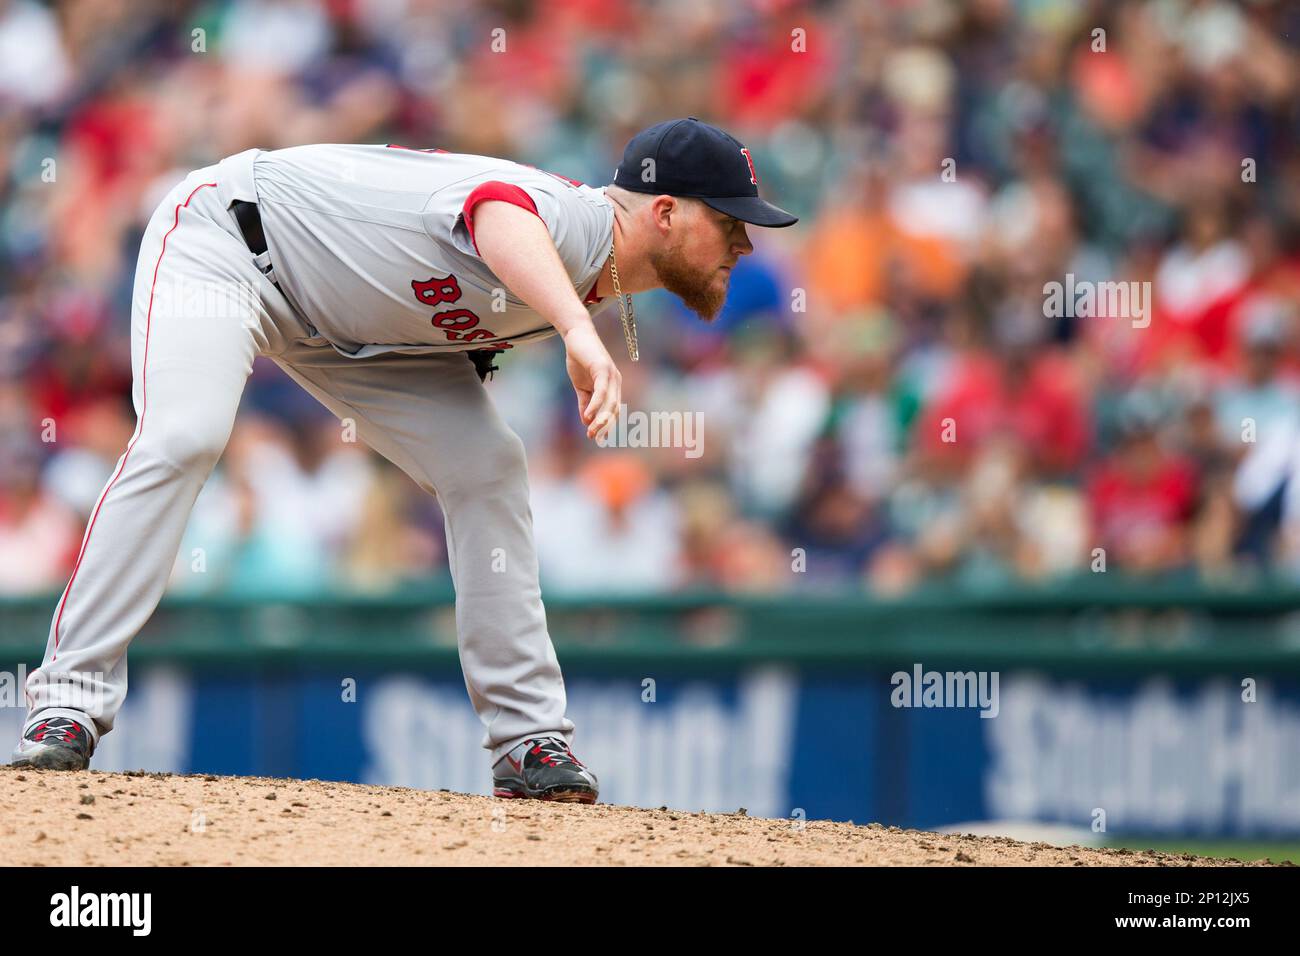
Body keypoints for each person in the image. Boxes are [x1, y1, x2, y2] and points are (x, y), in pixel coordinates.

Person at [11, 117, 797, 804]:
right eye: (729, 222)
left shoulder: (605, 272)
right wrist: (575, 329)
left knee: (488, 466)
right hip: (227, 240)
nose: (743, 241)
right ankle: (68, 699)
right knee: (186, 435)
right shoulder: (578, 221)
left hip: (352, 332)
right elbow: (499, 211)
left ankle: (528, 741)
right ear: (663, 211)